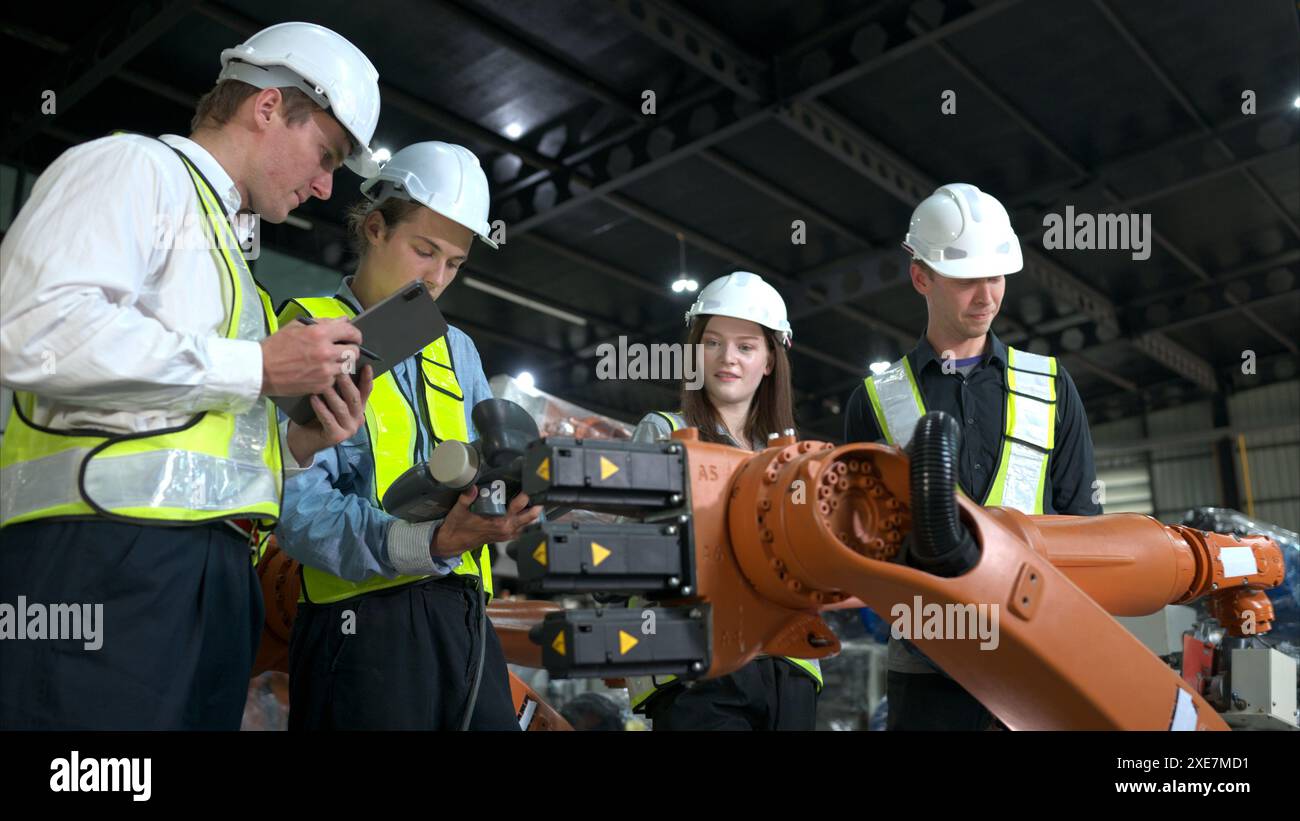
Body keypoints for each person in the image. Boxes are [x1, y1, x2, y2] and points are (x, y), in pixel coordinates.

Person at [0, 22, 382, 730]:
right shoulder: (133, 170)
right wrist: (258, 365)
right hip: (101, 555)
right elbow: (33, 332)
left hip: (210, 574)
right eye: (324, 155)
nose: (326, 186)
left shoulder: (234, 264)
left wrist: (301, 440)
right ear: (267, 107)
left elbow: (195, 427)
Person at [275, 142, 541, 730]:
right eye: (424, 251)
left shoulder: (458, 349)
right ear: (374, 227)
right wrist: (429, 545)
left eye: (454, 263)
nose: (438, 278)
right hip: (360, 623)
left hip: (463, 615)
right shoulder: (305, 330)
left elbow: (488, 467)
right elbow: (293, 505)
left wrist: (514, 497)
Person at [843, 182, 1102, 730]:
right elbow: (861, 544)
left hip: (1038, 655)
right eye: (966, 280)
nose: (986, 296)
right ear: (921, 278)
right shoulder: (874, 401)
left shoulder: (1052, 386)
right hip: (927, 665)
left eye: (997, 276)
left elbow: (1084, 525)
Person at [626, 271, 823, 730]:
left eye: (746, 347)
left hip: (790, 664)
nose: (727, 358)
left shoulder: (794, 457)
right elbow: (628, 549)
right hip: (695, 664)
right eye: (712, 342)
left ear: (771, 360)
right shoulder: (662, 432)